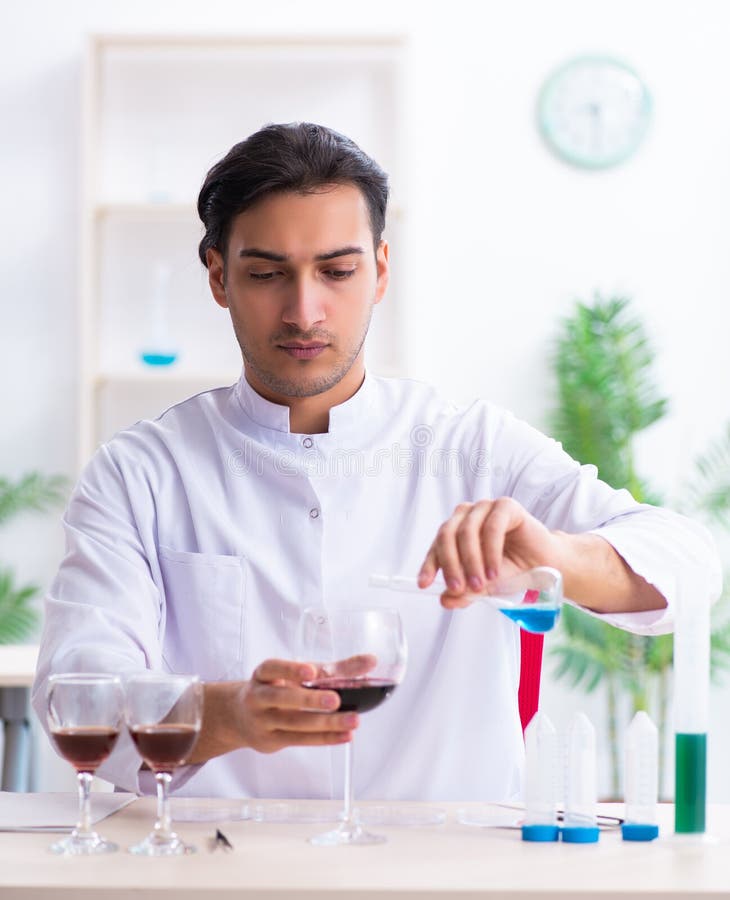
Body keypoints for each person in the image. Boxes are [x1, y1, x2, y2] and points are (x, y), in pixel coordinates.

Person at [32, 123, 720, 802]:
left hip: (450, 866)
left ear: (381, 270)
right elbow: (77, 688)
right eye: (268, 273)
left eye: (337, 271)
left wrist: (558, 555)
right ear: (218, 276)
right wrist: (228, 712)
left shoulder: (473, 447)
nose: (305, 311)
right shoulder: (141, 473)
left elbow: (691, 568)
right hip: (224, 862)